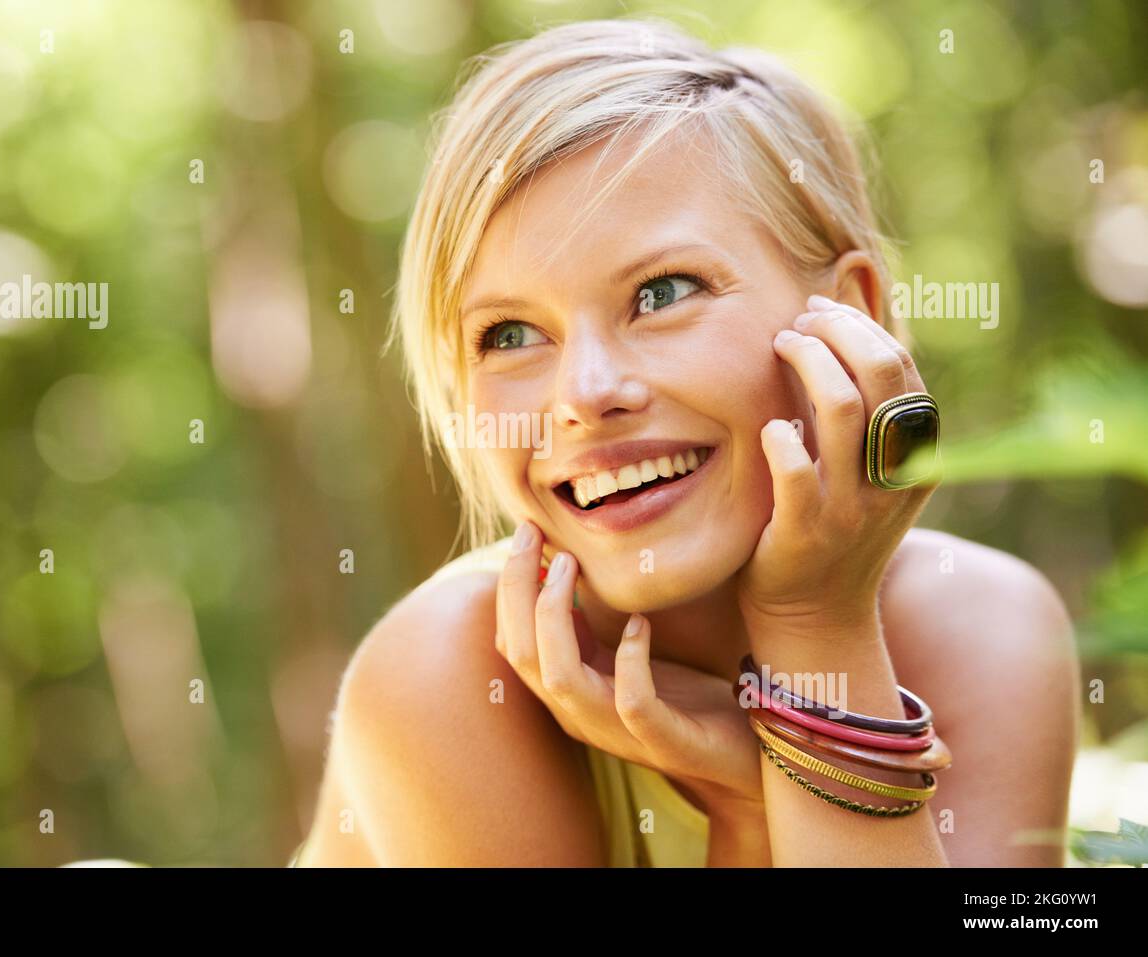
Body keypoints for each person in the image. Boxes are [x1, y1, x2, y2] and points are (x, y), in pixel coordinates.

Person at [289, 17, 1079, 867]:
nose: (586, 394)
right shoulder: (443, 673)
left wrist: (815, 626)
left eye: (662, 292)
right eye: (510, 334)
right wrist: (750, 811)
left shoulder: (987, 627)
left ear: (851, 318)